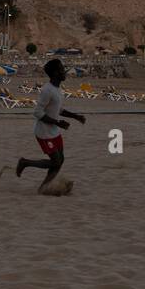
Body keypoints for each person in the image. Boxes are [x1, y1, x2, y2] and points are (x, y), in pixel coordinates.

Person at [17, 58, 86, 191]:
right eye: (61, 69)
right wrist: (58, 122)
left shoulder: (57, 89)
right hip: (44, 133)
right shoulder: (47, 90)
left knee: (61, 161)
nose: (64, 71)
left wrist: (75, 116)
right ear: (55, 73)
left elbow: (57, 109)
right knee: (55, 162)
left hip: (54, 131)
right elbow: (37, 112)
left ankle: (44, 187)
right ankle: (24, 162)